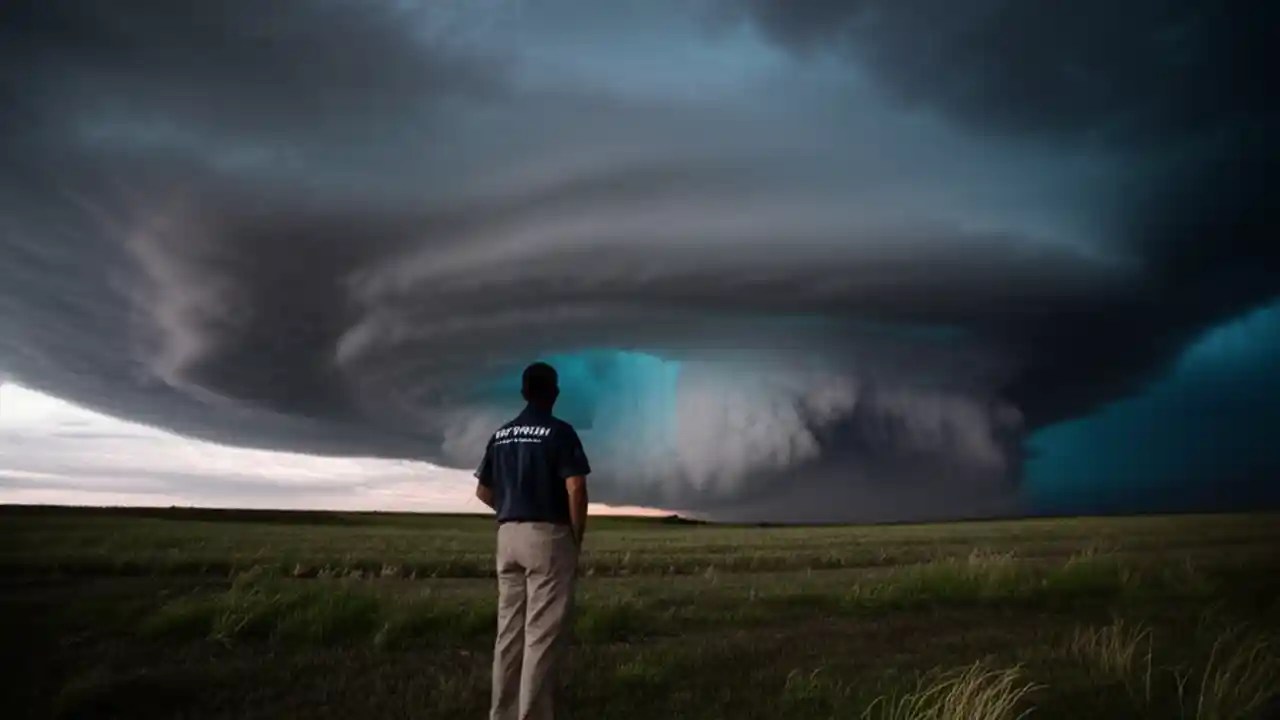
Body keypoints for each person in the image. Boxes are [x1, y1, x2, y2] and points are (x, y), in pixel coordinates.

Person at [475, 361, 591, 720]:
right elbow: (576, 486)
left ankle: (502, 713)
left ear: (524, 392)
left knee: (508, 633)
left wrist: (511, 509)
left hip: (507, 535)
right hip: (547, 536)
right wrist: (575, 536)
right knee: (540, 635)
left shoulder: (501, 434)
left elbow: (482, 491)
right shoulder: (560, 432)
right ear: (554, 392)